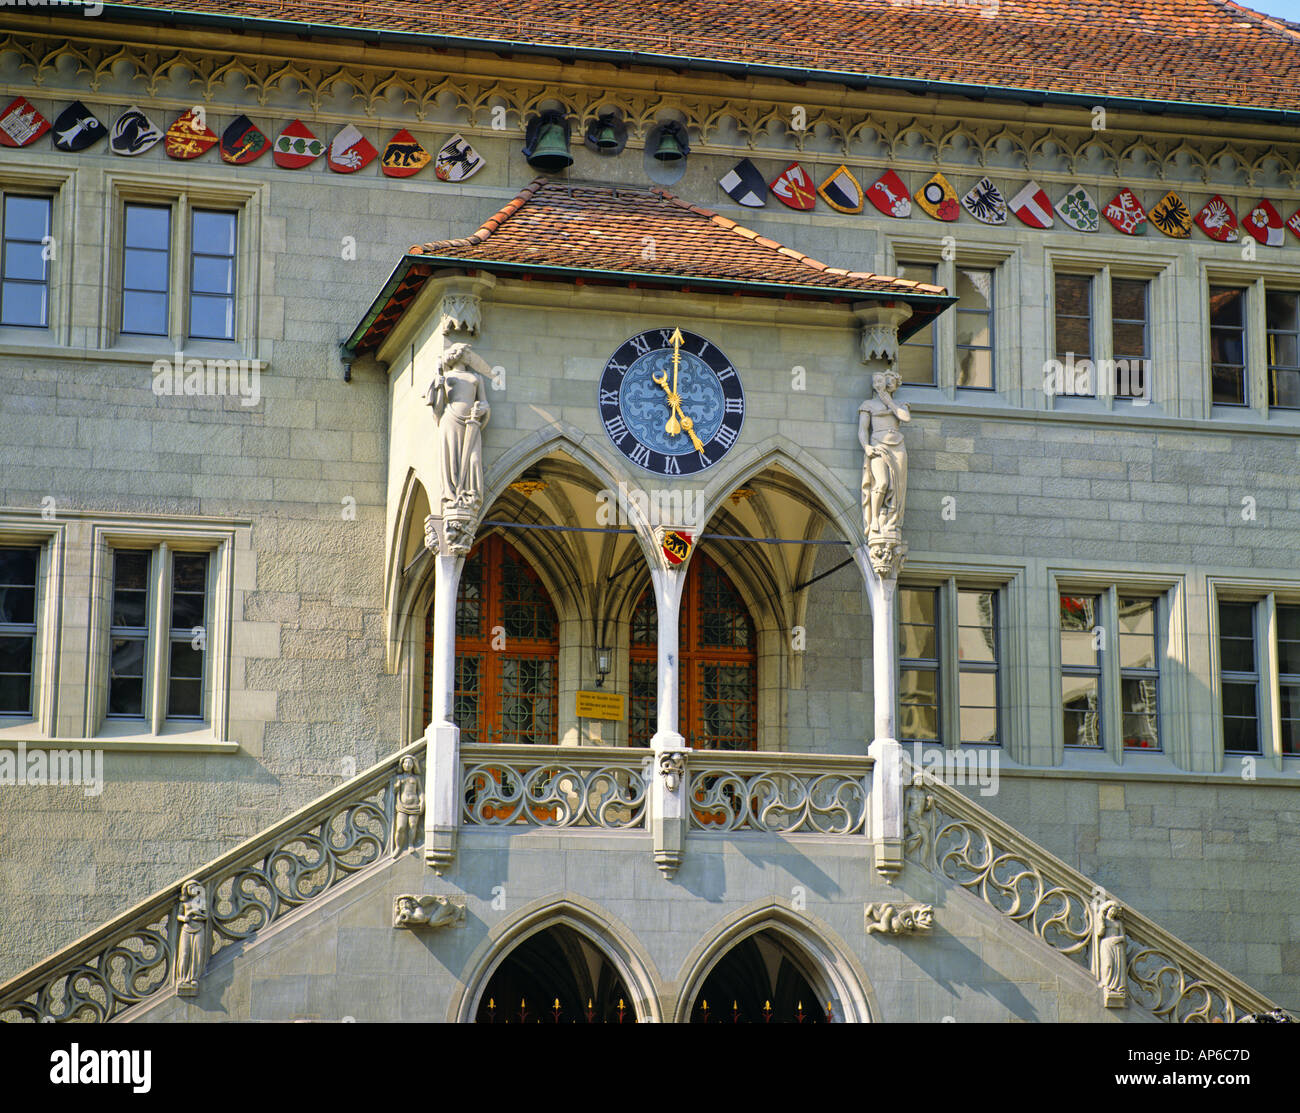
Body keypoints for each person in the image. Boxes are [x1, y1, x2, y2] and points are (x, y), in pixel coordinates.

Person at [426, 342, 492, 514]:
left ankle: (470, 494)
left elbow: (484, 402)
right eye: (467, 353)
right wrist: (439, 385)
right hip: (451, 420)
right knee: (452, 460)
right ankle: (453, 495)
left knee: (474, 459)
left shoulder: (476, 378)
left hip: (471, 422)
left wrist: (482, 409)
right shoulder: (447, 377)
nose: (470, 356)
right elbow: (438, 407)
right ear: (459, 355)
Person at [858, 369, 911, 542]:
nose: (887, 384)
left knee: (898, 486)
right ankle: (873, 519)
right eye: (884, 381)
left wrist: (890, 404)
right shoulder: (868, 404)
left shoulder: (900, 404)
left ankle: (892, 519)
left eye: (891, 382)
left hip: (898, 446)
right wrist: (866, 446)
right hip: (878, 445)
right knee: (881, 483)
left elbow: (906, 418)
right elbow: (863, 429)